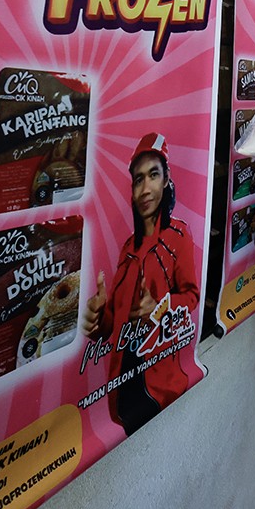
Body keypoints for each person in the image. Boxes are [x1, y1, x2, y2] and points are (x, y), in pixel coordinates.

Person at [80, 132, 200, 434]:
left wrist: (160, 308)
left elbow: (192, 296)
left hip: (161, 389)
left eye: (153, 175)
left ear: (166, 179)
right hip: (122, 393)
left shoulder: (179, 237)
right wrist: (98, 318)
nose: (145, 188)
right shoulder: (127, 249)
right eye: (138, 179)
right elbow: (115, 324)